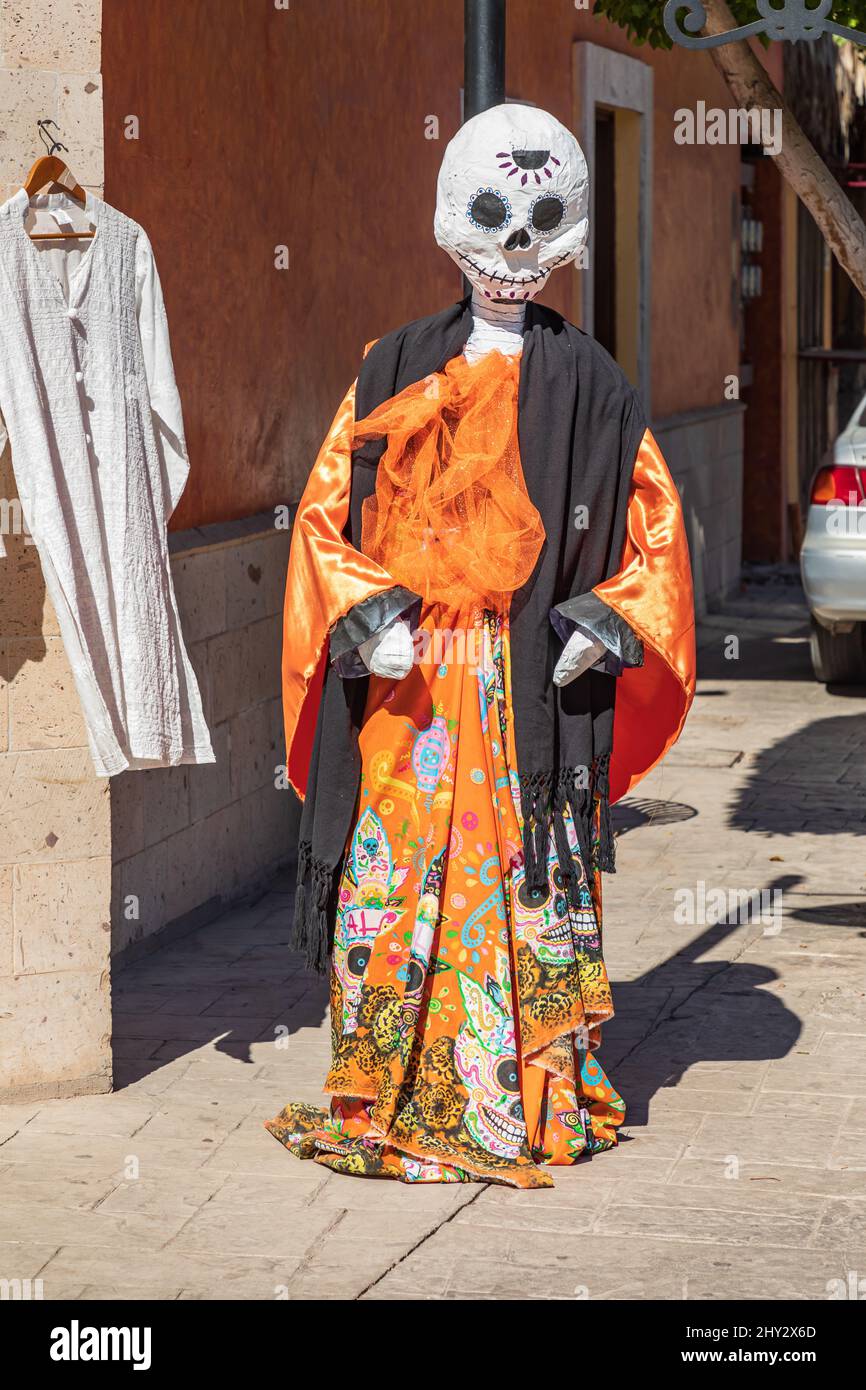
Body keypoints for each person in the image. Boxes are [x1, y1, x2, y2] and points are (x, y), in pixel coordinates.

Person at [266, 105, 695, 1187]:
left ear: (570, 233)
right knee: (402, 876)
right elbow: (325, 516)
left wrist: (602, 622)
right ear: (453, 226)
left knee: (525, 878)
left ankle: (528, 1096)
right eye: (496, 221)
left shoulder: (596, 388)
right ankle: (393, 1089)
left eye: (540, 223)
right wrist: (366, 616)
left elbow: (653, 531)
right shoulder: (389, 365)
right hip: (412, 697)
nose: (516, 254)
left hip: (526, 701)